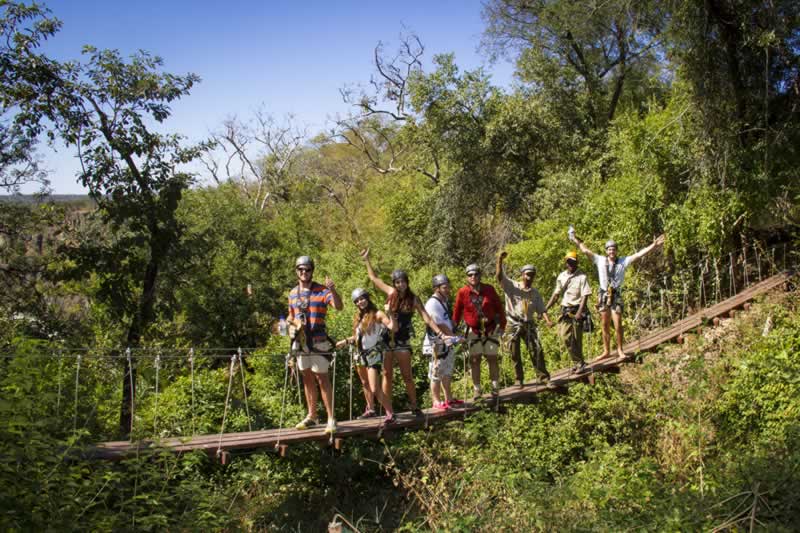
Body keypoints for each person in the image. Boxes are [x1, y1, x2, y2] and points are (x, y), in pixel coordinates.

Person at [360, 248, 445, 417]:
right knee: (387, 375)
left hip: (402, 339)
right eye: (397, 282)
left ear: (407, 282)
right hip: (387, 338)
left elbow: (426, 318)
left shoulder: (413, 299)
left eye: (403, 282)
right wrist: (367, 260)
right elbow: (374, 278)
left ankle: (414, 405)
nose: (400, 285)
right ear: (394, 284)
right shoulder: (391, 293)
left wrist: (440, 333)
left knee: (407, 375)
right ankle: (388, 411)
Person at [572, 232, 665, 359]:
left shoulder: (622, 262)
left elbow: (638, 255)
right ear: (606, 251)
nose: (611, 251)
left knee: (618, 324)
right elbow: (585, 250)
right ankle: (606, 351)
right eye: (609, 249)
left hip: (616, 294)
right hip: (604, 294)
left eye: (613, 249)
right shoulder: (600, 260)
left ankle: (620, 350)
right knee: (604, 324)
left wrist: (653, 246)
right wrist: (575, 240)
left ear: (616, 251)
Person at [287, 255, 343, 433]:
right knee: (307, 379)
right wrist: (294, 324)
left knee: (322, 379)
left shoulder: (321, 290)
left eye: (307, 269)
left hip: (319, 342)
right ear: (296, 271)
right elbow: (290, 315)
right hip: (302, 343)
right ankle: (312, 415)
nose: (304, 272)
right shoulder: (292, 293)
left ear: (312, 271)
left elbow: (339, 306)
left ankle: (331, 418)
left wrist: (332, 290)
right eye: (301, 270)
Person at [335, 288, 397, 426]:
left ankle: (390, 413)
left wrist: (390, 313)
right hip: (360, 354)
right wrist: (345, 341)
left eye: (362, 298)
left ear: (367, 298)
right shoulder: (359, 316)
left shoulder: (377, 314)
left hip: (372, 354)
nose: (360, 302)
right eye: (357, 301)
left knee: (375, 387)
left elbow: (393, 327)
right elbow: (358, 337)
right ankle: (370, 409)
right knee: (365, 383)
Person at [495, 252, 553, 387]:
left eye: (532, 275)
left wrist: (548, 320)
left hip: (528, 323)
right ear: (522, 275)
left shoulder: (535, 293)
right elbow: (499, 276)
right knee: (514, 352)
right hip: (513, 323)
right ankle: (518, 379)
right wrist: (499, 260)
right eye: (527, 274)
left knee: (536, 349)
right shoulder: (512, 286)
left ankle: (543, 377)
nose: (529, 277)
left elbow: (541, 309)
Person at [453, 263, 506, 399]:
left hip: (490, 328)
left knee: (492, 358)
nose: (473, 277)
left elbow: (499, 308)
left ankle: (495, 388)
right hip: (473, 331)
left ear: (480, 275)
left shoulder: (489, 289)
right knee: (475, 360)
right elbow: (457, 311)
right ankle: (477, 390)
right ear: (467, 277)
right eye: (470, 275)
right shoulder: (463, 292)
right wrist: (453, 329)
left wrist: (502, 326)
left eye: (476, 274)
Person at [545, 251, 592, 373]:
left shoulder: (582, 277)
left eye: (573, 261)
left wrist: (580, 312)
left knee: (576, 339)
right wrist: (545, 308)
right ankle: (579, 362)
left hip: (577, 310)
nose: (571, 264)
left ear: (577, 262)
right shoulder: (561, 276)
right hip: (565, 310)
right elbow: (556, 295)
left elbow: (585, 296)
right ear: (566, 262)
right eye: (569, 261)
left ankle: (578, 363)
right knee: (565, 336)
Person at [422, 274, 464, 409]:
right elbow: (439, 324)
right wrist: (455, 338)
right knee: (436, 372)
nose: (448, 290)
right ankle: (436, 401)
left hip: (447, 342)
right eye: (445, 287)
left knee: (447, 371)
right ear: (437, 289)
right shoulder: (432, 303)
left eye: (448, 287)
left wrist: (455, 334)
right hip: (437, 344)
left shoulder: (443, 301)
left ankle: (449, 399)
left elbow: (447, 321)